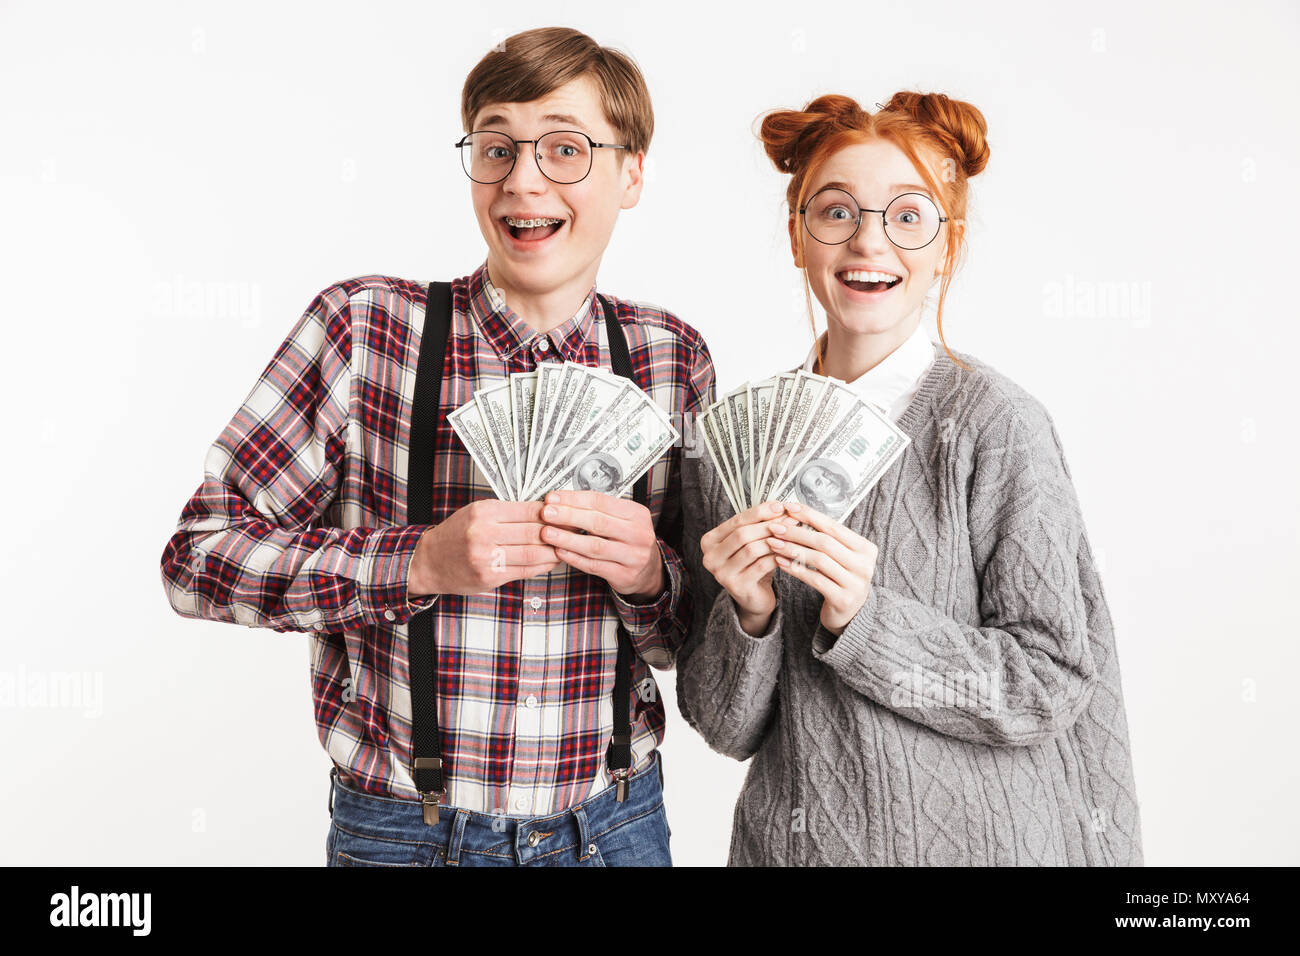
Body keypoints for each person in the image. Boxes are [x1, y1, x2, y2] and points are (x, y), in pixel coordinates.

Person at [160, 26, 715, 867]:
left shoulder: (673, 358)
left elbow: (699, 643)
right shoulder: (365, 330)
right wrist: (415, 563)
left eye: (565, 148)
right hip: (407, 836)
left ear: (632, 172)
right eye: (497, 146)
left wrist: (646, 576)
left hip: (614, 829)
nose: (523, 180)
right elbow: (198, 558)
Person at [676, 92, 1143, 866]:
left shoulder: (996, 426)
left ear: (946, 247)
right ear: (798, 238)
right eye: (836, 212)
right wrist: (751, 614)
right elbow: (726, 728)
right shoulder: (737, 445)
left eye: (908, 216)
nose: (869, 241)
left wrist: (864, 620)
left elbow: (1053, 679)